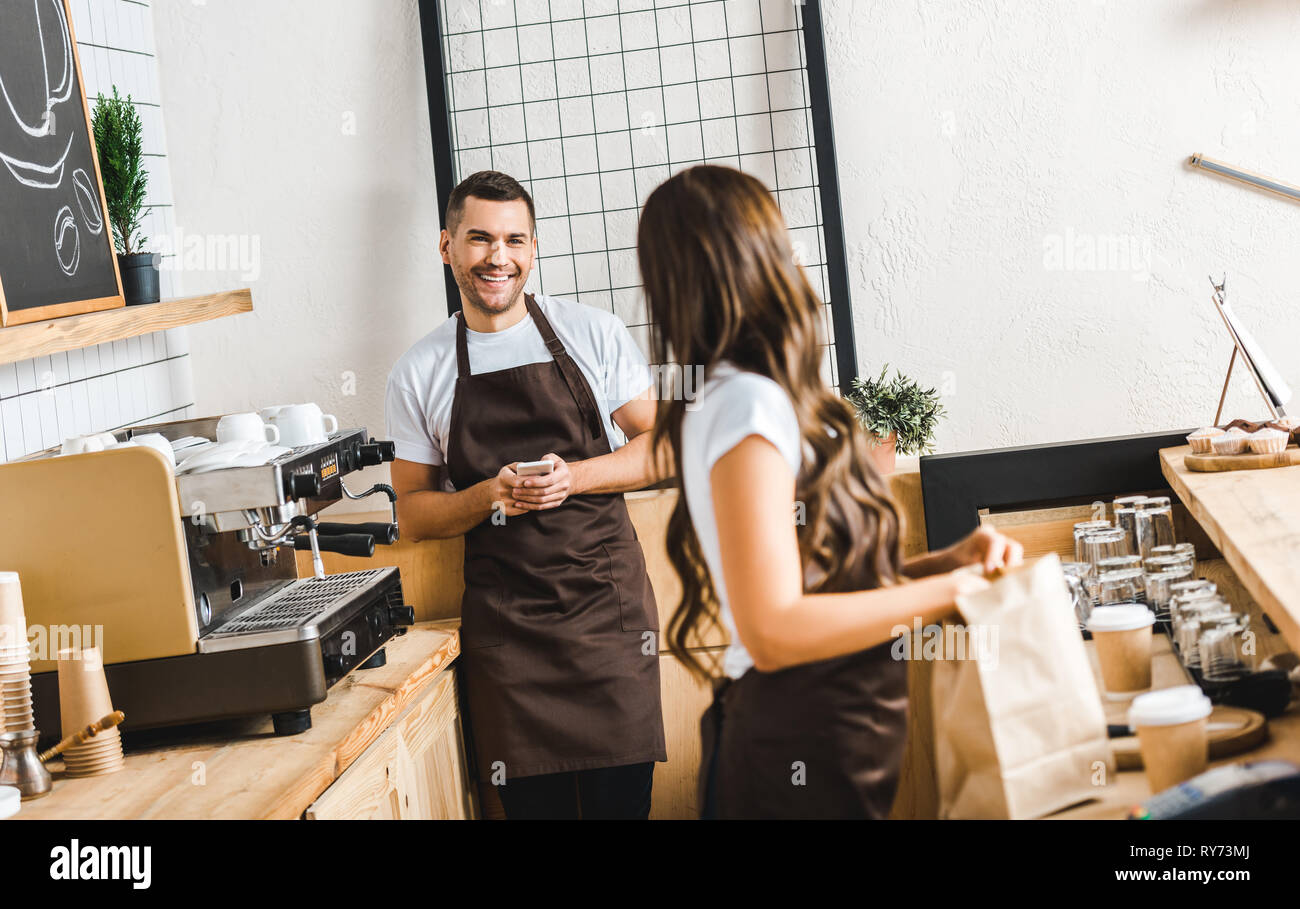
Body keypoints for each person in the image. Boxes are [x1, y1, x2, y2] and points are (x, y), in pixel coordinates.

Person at [636, 165, 1023, 819]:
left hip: (815, 741)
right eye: (777, 239)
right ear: (745, 259)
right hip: (795, 746)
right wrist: (948, 593)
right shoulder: (748, 403)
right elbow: (775, 629)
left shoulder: (738, 395)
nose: (796, 258)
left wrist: (941, 565)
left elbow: (818, 588)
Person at [385, 171, 666, 819]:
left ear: (533, 249)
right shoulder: (420, 370)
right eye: (479, 238)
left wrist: (576, 475)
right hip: (511, 647)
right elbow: (414, 510)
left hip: (608, 628)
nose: (498, 257)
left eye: (515, 239)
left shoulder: (592, 333)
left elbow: (662, 447)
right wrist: (489, 495)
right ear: (447, 246)